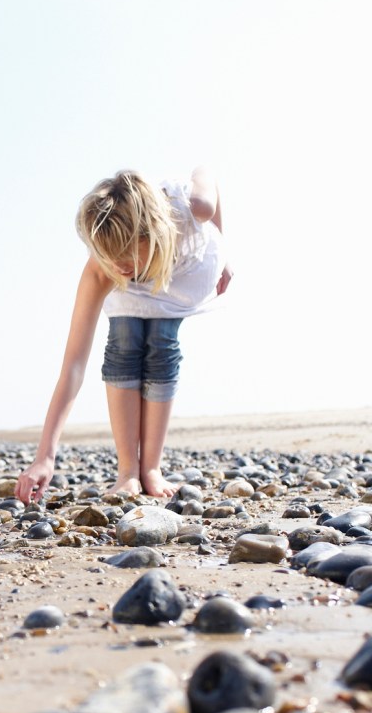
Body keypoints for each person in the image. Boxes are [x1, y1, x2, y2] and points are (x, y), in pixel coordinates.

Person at [15, 168, 232, 503]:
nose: (120, 267)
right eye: (109, 257)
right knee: (125, 341)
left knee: (160, 341)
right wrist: (45, 455)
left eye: (127, 255)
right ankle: (128, 471)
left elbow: (207, 173)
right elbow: (73, 366)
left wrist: (220, 251)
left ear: (152, 234)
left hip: (179, 267)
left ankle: (152, 469)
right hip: (142, 279)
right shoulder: (106, 268)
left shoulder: (194, 209)